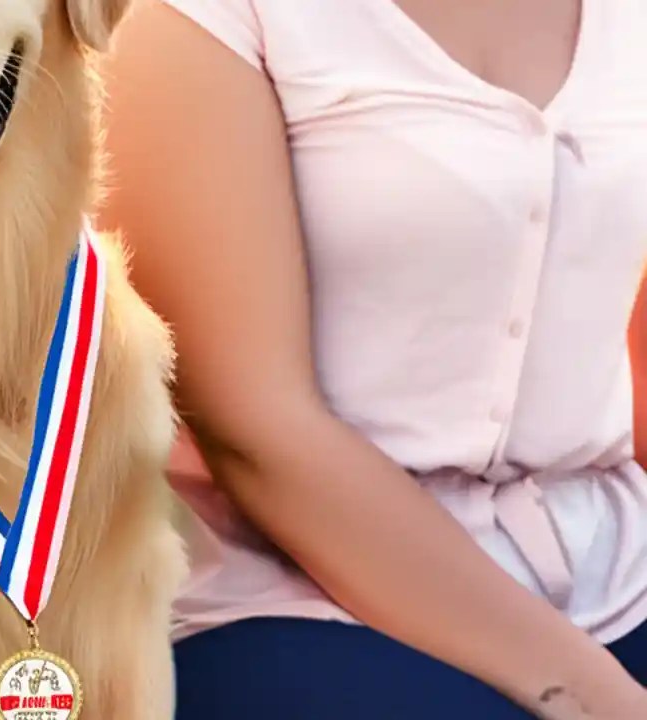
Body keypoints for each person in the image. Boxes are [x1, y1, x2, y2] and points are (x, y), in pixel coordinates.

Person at [97, 0, 647, 717]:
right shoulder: (201, 16)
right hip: (304, 602)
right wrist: (599, 696)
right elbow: (254, 431)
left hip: (617, 570)